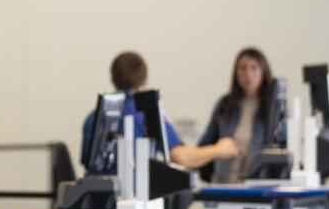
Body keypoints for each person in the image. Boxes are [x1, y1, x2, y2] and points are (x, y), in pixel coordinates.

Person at [81, 52, 235, 175]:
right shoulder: (144, 113)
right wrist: (219, 149)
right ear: (145, 79)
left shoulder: (93, 118)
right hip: (134, 196)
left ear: (113, 78)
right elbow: (181, 157)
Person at [196, 47, 280, 183]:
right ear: (236, 73)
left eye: (254, 68)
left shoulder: (275, 108)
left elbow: (281, 149)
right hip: (223, 183)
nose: (248, 74)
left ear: (263, 71)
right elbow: (205, 144)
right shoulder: (225, 104)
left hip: (257, 184)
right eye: (243, 68)